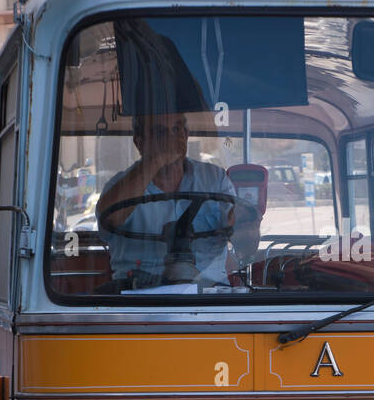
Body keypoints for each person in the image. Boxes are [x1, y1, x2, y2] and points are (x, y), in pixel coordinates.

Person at [96, 113, 257, 289]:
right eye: (160, 132)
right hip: (139, 296)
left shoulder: (215, 179)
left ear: (186, 135)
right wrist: (157, 160)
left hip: (209, 297)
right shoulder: (120, 187)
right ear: (139, 142)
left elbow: (244, 239)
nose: (172, 138)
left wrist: (244, 223)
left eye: (177, 129)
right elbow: (109, 221)